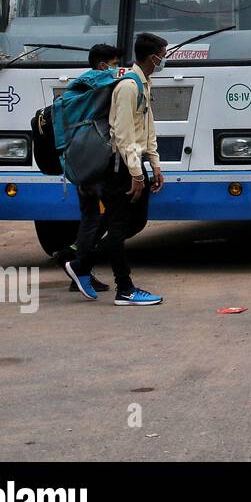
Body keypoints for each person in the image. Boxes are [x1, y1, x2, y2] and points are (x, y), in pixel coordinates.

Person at [64, 32, 168, 306]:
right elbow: (122, 135)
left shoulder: (143, 84)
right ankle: (125, 288)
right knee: (120, 225)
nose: (164, 60)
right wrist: (135, 173)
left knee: (136, 221)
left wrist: (155, 163)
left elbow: (147, 128)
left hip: (134, 163)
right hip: (118, 167)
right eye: (163, 55)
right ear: (152, 57)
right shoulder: (127, 87)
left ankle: (81, 264)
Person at [57, 43, 122, 293]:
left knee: (91, 216)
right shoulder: (94, 80)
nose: (117, 68)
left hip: (79, 157)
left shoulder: (79, 86)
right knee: (105, 216)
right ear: (103, 65)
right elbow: (123, 76)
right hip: (90, 159)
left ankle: (78, 265)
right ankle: (79, 265)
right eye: (114, 63)